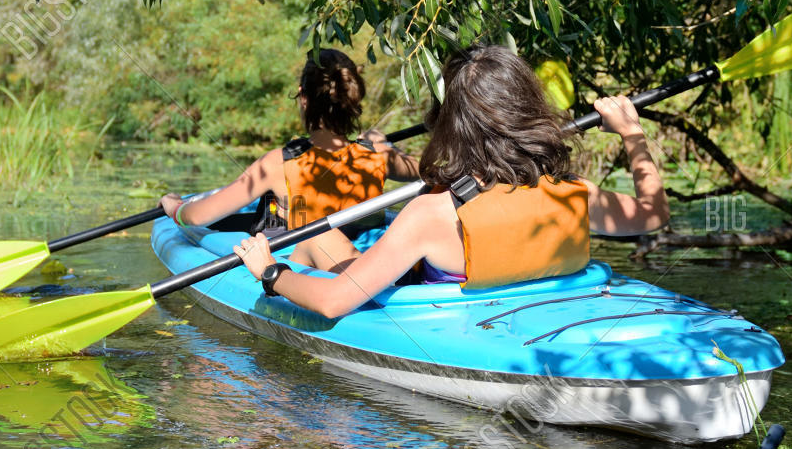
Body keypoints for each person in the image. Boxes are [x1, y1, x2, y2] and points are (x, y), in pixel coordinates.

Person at [231, 44, 669, 317]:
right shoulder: (575, 192)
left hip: (451, 322)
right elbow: (652, 215)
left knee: (319, 242)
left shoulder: (432, 214)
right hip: (542, 310)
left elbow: (331, 303)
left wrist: (269, 270)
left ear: (450, 125)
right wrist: (632, 133)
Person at [159, 49, 420, 262]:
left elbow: (196, 217)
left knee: (267, 215)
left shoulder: (277, 165)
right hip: (362, 259)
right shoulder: (381, 157)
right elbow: (426, 171)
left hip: (305, 263)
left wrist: (175, 207)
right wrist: (385, 146)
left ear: (303, 98)